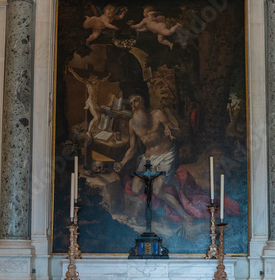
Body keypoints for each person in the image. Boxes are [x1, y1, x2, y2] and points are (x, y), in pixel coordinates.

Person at [114, 94, 191, 222]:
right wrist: (122, 163)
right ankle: (151, 210)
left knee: (157, 190)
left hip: (166, 155)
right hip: (148, 158)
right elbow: (132, 148)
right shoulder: (132, 123)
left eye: (136, 101)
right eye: (131, 102)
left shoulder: (157, 114)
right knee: (135, 188)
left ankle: (185, 215)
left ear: (143, 101)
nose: (133, 105)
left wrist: (171, 130)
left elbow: (175, 130)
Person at [69, 68, 112, 139]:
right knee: (96, 117)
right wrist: (73, 72)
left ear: (95, 78)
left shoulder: (98, 82)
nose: (92, 79)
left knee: (99, 117)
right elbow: (79, 78)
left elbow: (104, 80)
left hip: (96, 102)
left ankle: (93, 130)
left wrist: (109, 76)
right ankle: (88, 132)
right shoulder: (88, 84)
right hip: (91, 102)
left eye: (93, 78)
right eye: (91, 78)